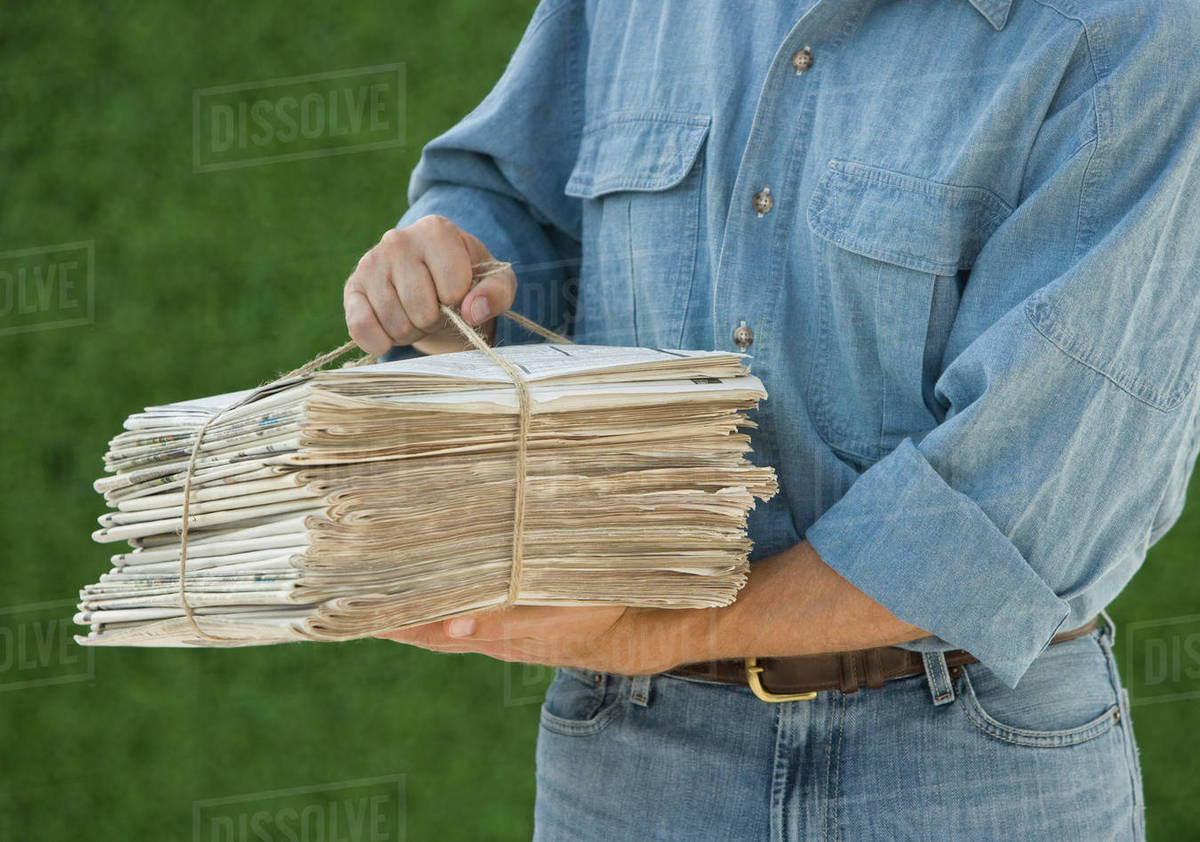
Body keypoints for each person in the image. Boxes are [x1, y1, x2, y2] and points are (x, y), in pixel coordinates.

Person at [348, 0, 1200, 837]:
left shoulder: (1128, 27)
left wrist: (656, 631)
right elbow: (513, 212)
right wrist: (449, 294)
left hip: (970, 768)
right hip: (628, 763)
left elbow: (1024, 500)